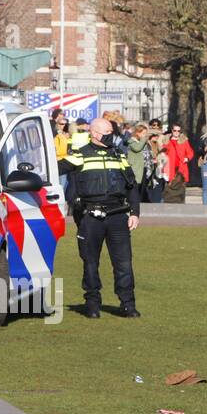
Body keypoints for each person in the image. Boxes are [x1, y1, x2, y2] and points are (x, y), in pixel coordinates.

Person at [60, 116, 142, 319]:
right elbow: (55, 169)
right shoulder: (80, 155)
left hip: (117, 216)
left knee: (124, 263)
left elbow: (132, 187)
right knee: (90, 262)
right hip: (91, 216)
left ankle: (127, 304)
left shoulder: (119, 156)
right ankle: (92, 304)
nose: (110, 136)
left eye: (111, 133)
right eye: (106, 133)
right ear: (94, 134)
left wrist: (135, 213)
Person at [163, 123, 194, 203]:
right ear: (172, 130)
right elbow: (162, 153)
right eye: (175, 130)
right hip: (169, 168)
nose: (176, 132)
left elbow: (190, 152)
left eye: (178, 131)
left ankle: (181, 205)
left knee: (181, 188)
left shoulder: (184, 141)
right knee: (169, 188)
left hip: (181, 168)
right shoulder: (166, 141)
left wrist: (187, 158)